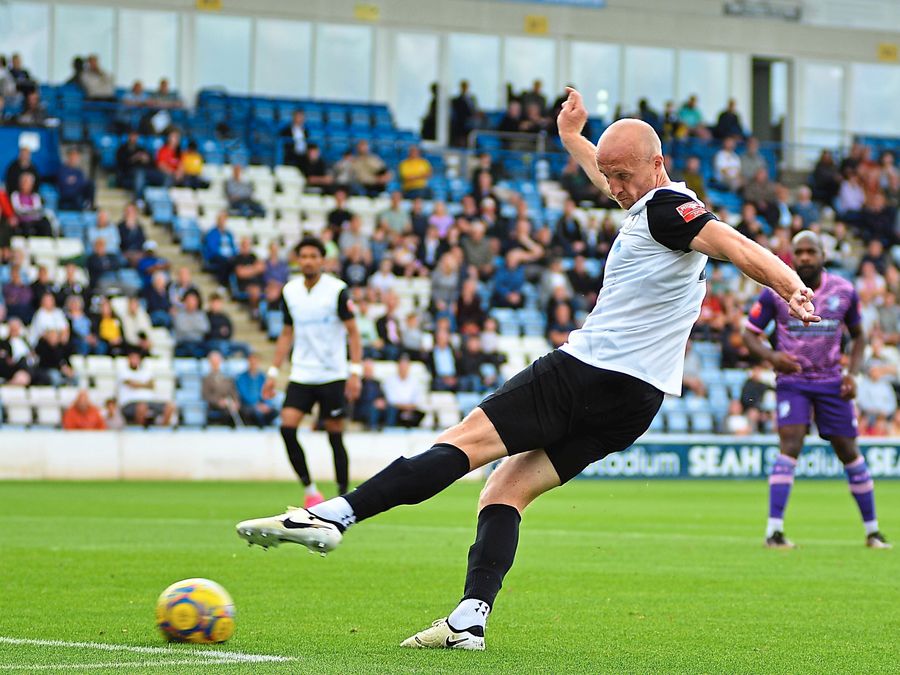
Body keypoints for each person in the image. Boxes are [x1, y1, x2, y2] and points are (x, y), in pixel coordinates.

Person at [236, 88, 821, 651]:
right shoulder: (654, 200)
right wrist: (573, 137)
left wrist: (790, 285)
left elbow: (738, 246)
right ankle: (469, 619)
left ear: (657, 163)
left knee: (461, 443)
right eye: (609, 174)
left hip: (590, 372)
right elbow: (620, 178)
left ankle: (334, 515)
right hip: (637, 402)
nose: (613, 187)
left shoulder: (671, 210)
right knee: (506, 488)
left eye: (623, 176)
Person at [743, 230, 890, 549]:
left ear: (823, 255)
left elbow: (859, 336)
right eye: (800, 252)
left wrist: (853, 373)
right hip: (793, 381)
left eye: (812, 251)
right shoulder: (776, 291)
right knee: (790, 445)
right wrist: (772, 357)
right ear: (793, 256)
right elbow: (749, 334)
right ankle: (774, 531)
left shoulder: (844, 290)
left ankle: (873, 530)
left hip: (831, 382)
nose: (806, 257)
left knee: (848, 451)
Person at [260, 237, 362, 505]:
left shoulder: (337, 290)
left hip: (332, 374)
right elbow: (286, 333)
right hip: (302, 374)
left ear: (323, 260)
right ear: (297, 260)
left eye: (313, 256)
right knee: (287, 427)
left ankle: (343, 497)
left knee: (335, 434)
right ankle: (310, 491)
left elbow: (353, 332)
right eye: (303, 256)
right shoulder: (290, 291)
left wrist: (355, 371)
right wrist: (273, 372)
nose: (308, 261)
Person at [117, 350, 175, 426]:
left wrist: (138, 384)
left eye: (136, 358)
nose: (134, 361)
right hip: (129, 403)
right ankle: (139, 430)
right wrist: (145, 384)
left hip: (149, 401)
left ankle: (163, 430)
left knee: (169, 406)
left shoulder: (146, 371)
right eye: (132, 358)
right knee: (142, 407)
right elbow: (132, 384)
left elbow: (152, 385)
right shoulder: (123, 371)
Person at [236, 352, 278, 427]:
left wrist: (266, 404)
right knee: (256, 413)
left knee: (275, 411)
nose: (254, 363)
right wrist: (256, 405)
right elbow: (243, 394)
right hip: (248, 406)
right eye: (252, 361)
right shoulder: (241, 377)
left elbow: (266, 393)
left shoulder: (262, 377)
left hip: (261, 405)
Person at [203, 350, 240, 426]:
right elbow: (205, 395)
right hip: (215, 406)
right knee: (226, 413)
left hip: (228, 403)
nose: (216, 363)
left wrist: (236, 401)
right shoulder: (206, 378)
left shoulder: (227, 377)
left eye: (217, 361)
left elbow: (233, 390)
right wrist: (218, 402)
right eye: (214, 361)